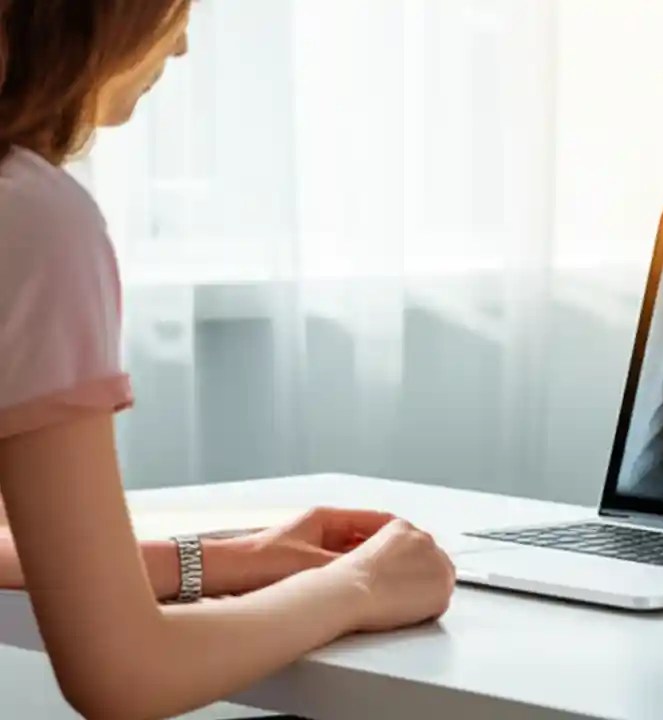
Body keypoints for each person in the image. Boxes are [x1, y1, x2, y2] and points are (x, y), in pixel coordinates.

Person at [0, 2, 457, 717]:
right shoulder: (32, 219)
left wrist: (224, 560)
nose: (181, 45)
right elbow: (124, 671)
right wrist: (363, 586)